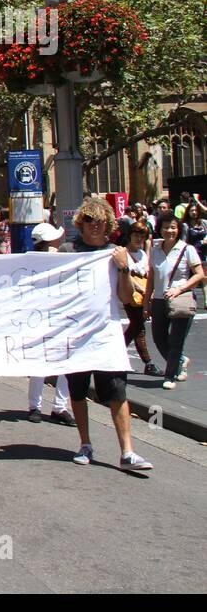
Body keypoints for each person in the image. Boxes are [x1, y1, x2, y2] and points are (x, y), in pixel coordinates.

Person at [59, 197, 153, 472]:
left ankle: (127, 451)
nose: (94, 227)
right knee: (77, 391)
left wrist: (124, 267)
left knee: (117, 392)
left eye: (100, 222)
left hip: (105, 334)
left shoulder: (115, 253)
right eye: (89, 221)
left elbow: (125, 296)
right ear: (81, 223)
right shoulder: (68, 250)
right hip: (75, 334)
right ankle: (85, 443)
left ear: (109, 224)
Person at [148, 213, 205, 391]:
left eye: (173, 227)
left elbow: (199, 274)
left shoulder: (187, 249)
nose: (169, 231)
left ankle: (170, 375)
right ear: (160, 229)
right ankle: (181, 361)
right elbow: (151, 276)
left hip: (181, 299)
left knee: (175, 341)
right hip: (158, 299)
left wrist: (179, 289)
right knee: (158, 338)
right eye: (166, 227)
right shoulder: (155, 249)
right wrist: (145, 301)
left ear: (179, 229)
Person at [25, 222, 73, 424]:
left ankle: (60, 407)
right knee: (40, 362)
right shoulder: (31, 262)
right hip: (41, 317)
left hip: (62, 316)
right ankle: (34, 406)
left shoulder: (66, 259)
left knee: (67, 362)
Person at [120, 221, 155, 376]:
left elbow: (147, 273)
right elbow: (126, 275)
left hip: (143, 296)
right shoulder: (124, 253)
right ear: (129, 235)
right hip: (131, 295)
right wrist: (144, 290)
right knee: (139, 329)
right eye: (136, 235)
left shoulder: (142, 254)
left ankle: (116, 352)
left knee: (134, 328)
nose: (138, 238)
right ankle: (148, 363)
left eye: (142, 235)